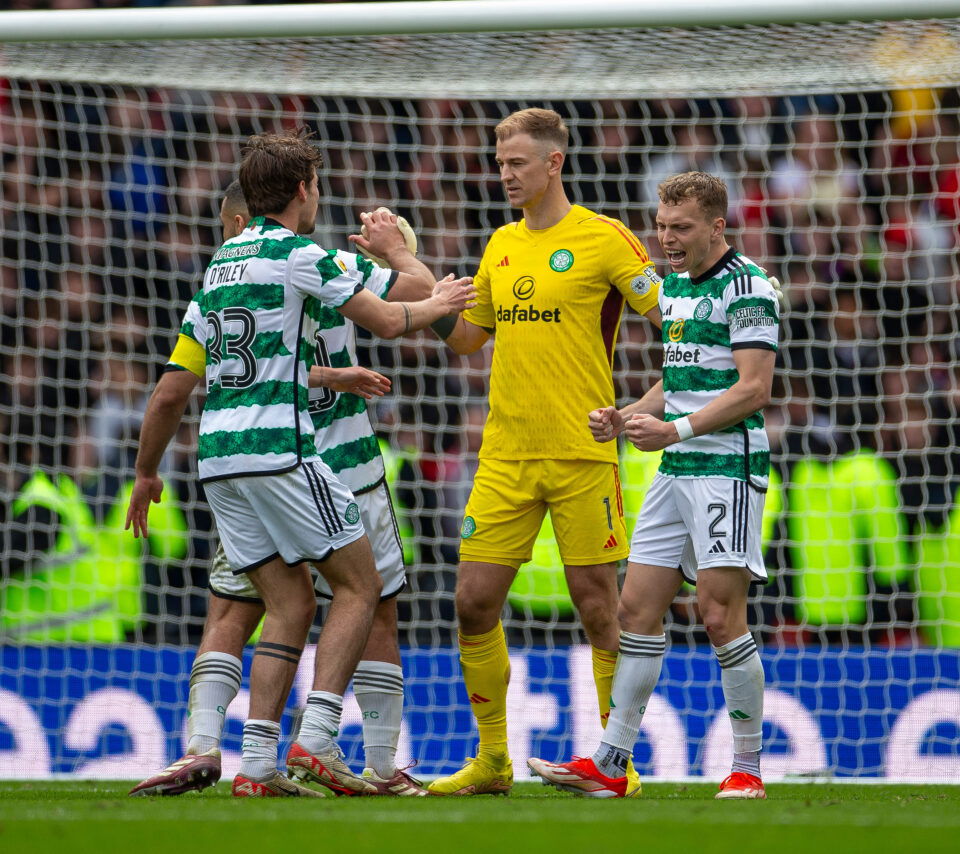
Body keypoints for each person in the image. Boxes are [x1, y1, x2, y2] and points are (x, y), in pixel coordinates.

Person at [126, 128, 474, 798]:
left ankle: (246, 760)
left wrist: (146, 472)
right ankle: (324, 743)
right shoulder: (310, 256)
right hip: (294, 452)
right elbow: (392, 317)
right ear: (304, 190)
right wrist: (430, 290)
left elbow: (173, 390)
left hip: (219, 458)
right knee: (364, 593)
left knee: (271, 604)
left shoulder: (218, 267)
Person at [428, 108, 662, 797]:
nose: (505, 174)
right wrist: (424, 291)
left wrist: (637, 411)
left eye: (517, 162)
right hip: (505, 454)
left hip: (582, 453)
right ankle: (493, 760)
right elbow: (468, 339)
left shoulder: (604, 238)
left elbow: (679, 328)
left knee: (598, 607)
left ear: (554, 163)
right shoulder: (500, 243)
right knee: (473, 602)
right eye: (500, 162)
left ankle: (615, 765)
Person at [526, 172, 779, 799]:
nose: (666, 238)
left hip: (725, 466)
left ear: (717, 226)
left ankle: (747, 768)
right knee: (635, 611)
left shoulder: (747, 286)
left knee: (719, 616)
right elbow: (680, 376)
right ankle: (611, 764)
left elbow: (754, 389)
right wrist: (627, 415)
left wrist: (674, 430)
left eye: (681, 227)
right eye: (662, 226)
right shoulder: (675, 288)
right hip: (677, 467)